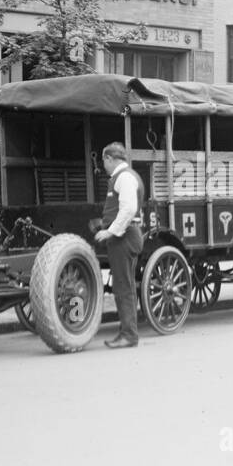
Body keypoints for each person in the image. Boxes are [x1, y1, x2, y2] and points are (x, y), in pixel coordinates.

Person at [93, 142, 145, 348]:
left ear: (110, 159)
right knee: (126, 286)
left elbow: (128, 208)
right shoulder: (126, 176)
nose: (103, 165)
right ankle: (128, 333)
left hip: (124, 238)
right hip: (126, 236)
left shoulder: (124, 178)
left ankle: (129, 335)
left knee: (123, 287)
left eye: (104, 160)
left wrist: (110, 231)